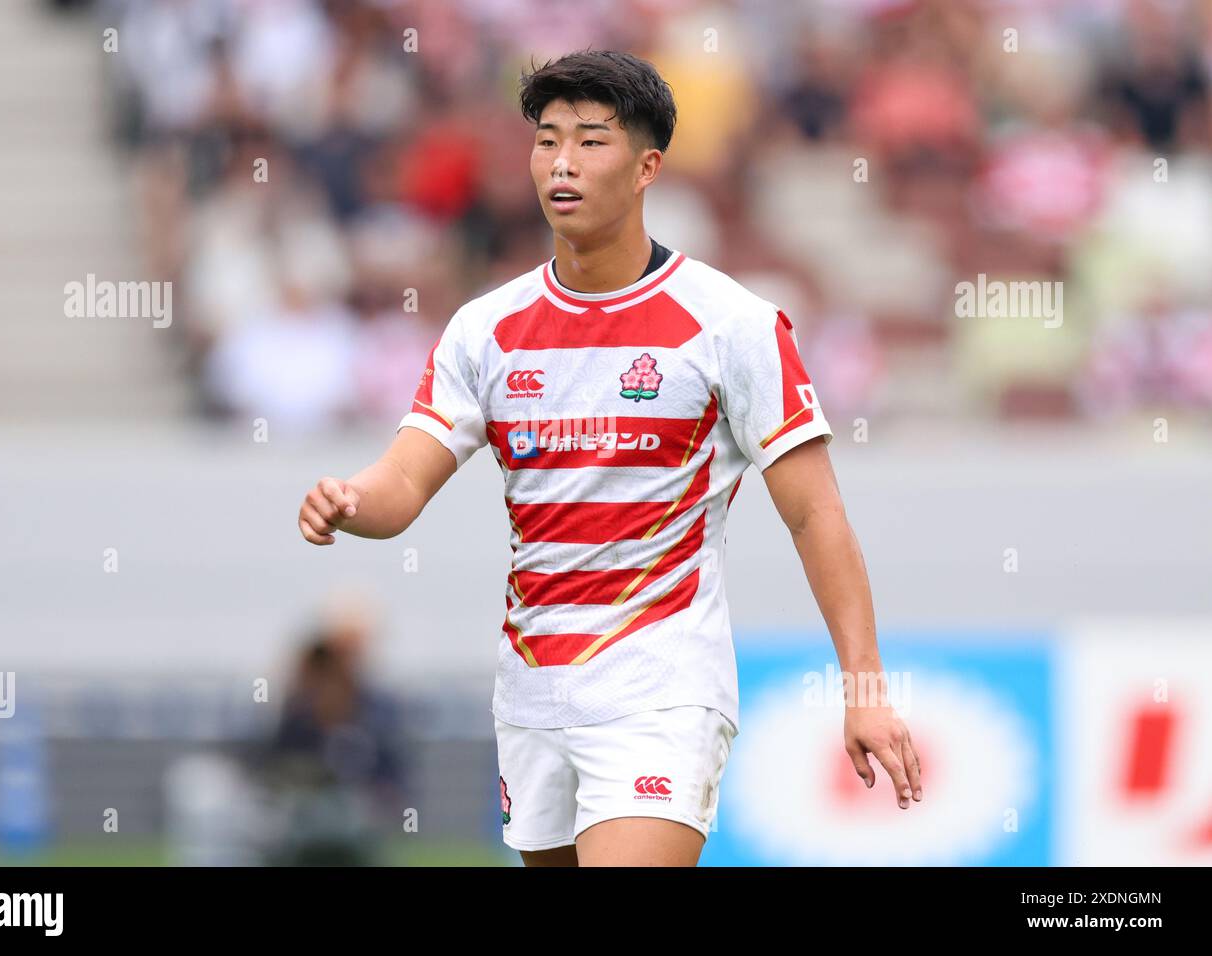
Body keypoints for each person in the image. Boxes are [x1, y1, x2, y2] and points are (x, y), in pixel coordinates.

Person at [298, 50, 922, 867]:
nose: (561, 162)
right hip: (531, 688)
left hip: (659, 689)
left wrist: (864, 686)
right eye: (546, 140)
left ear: (646, 166)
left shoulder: (731, 324)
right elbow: (405, 480)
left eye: (591, 142)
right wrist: (350, 502)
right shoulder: (484, 329)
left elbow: (815, 512)